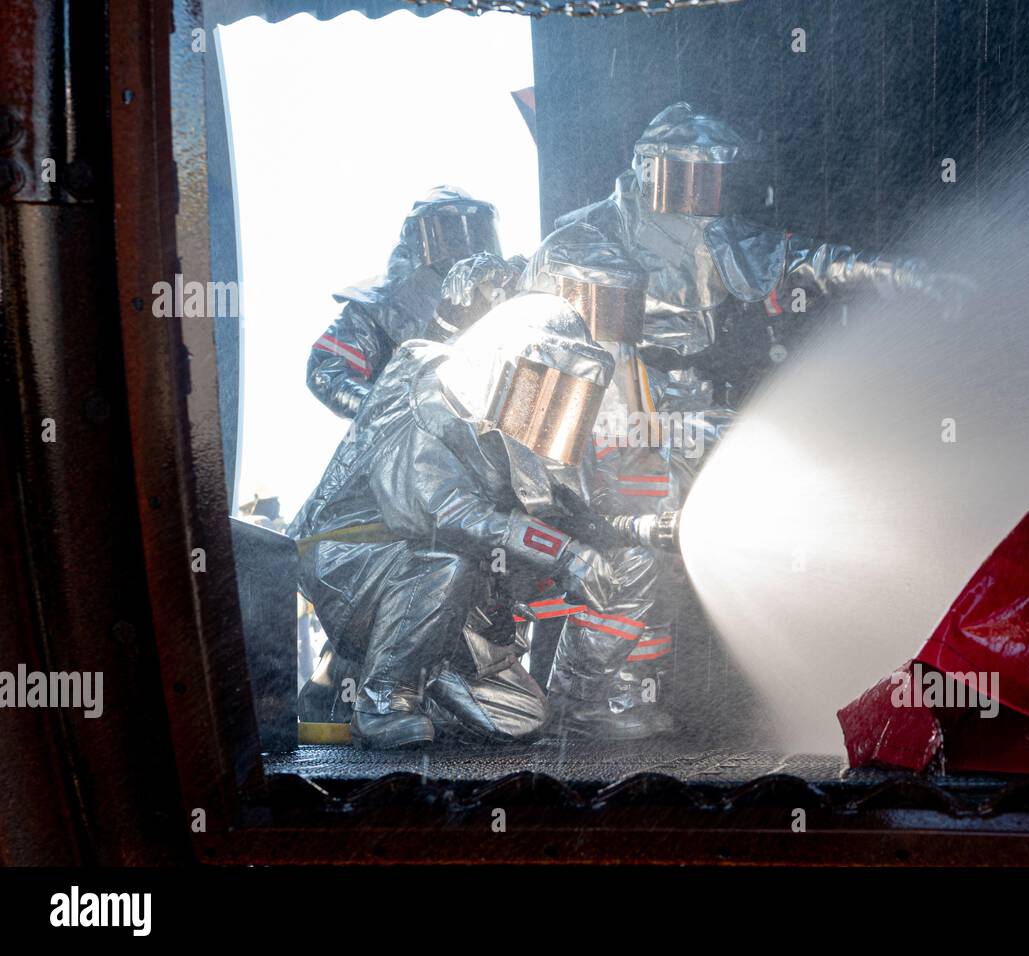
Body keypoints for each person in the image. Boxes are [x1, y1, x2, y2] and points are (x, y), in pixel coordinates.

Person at [288, 292, 662, 748]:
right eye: (541, 384)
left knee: (523, 718)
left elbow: (556, 511)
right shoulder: (422, 394)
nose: (546, 405)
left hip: (444, 586)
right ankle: (384, 698)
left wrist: (627, 532)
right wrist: (566, 555)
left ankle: (429, 670)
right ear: (506, 361)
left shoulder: (499, 421)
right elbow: (450, 515)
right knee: (447, 555)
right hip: (349, 561)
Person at [558, 102, 969, 407]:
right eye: (697, 174)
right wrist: (663, 418)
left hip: (677, 398)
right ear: (654, 170)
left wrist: (905, 274)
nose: (709, 191)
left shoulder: (714, 237)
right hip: (599, 412)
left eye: (716, 176)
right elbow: (607, 363)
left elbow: (809, 258)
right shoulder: (592, 241)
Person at [519, 222, 731, 738]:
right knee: (628, 569)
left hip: (606, 525)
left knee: (660, 576)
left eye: (624, 301)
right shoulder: (535, 375)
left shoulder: (630, 373)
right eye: (602, 299)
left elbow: (675, 415)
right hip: (538, 538)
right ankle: (579, 701)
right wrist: (635, 529)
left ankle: (624, 691)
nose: (616, 321)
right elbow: (556, 497)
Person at [306, 186, 523, 419]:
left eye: (475, 230)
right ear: (417, 238)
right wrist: (391, 412)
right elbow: (326, 373)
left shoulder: (508, 284)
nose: (463, 245)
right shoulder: (379, 305)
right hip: (415, 444)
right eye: (450, 232)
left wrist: (510, 276)